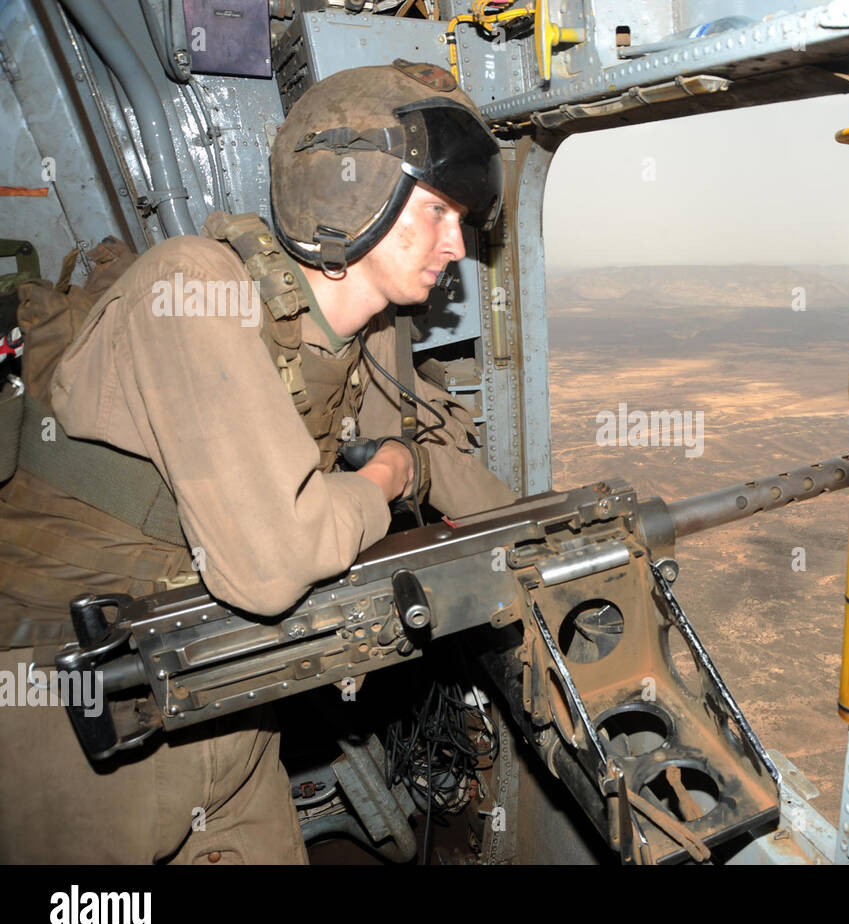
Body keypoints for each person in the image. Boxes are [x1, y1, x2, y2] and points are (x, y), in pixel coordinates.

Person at [0, 61, 515, 863]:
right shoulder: (193, 285)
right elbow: (273, 562)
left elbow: (432, 456)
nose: (457, 243)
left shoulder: (372, 338)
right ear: (350, 192)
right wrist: (382, 479)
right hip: (74, 704)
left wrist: (553, 541)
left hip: (225, 699)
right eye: (440, 209)